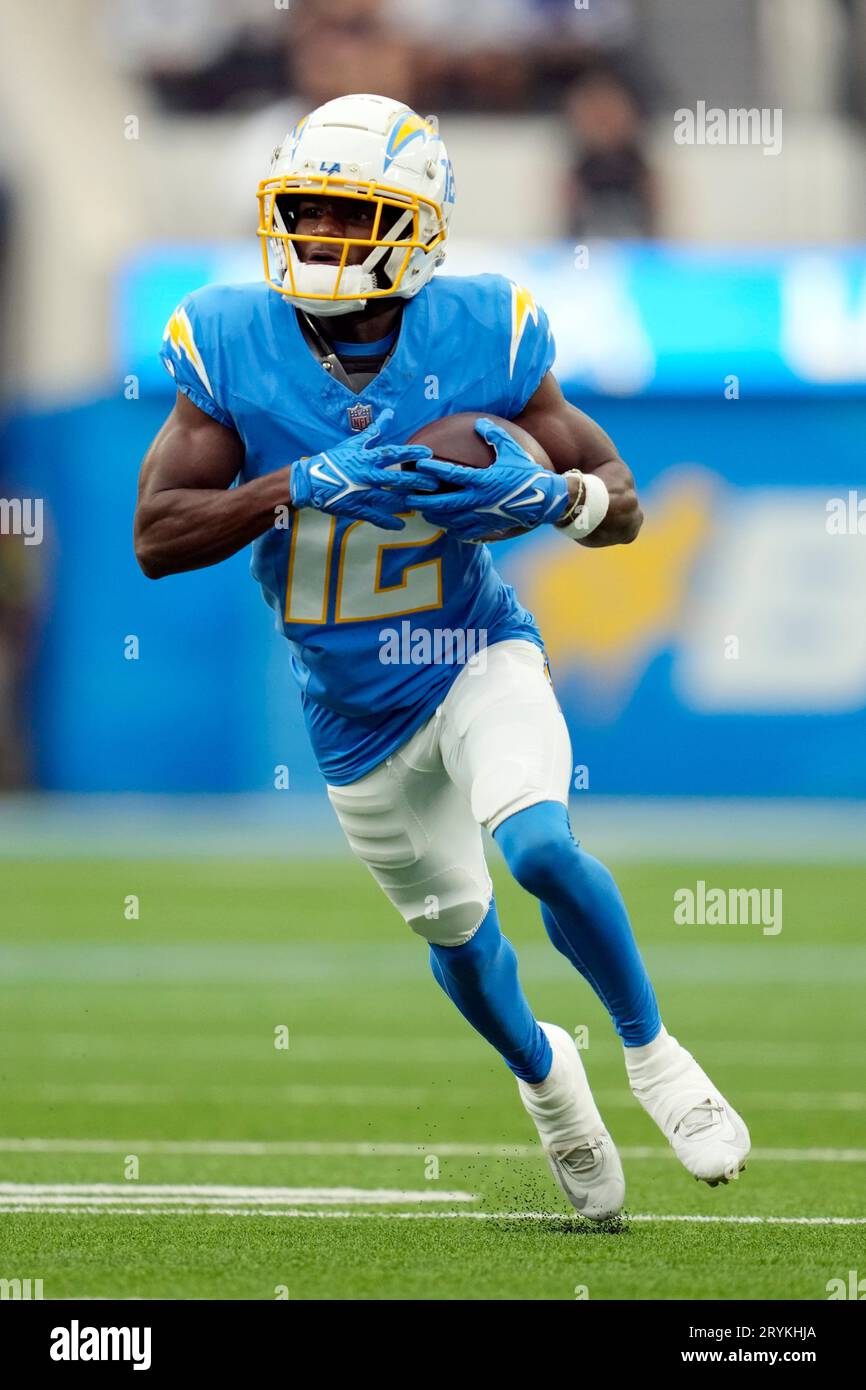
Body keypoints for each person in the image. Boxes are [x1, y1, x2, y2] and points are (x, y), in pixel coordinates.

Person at [134, 93, 749, 1220]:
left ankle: (655, 1055)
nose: (312, 239)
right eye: (301, 213)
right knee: (464, 949)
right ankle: (550, 1085)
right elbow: (156, 536)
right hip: (349, 714)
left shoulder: (483, 332)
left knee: (541, 848)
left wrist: (550, 496)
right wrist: (292, 486)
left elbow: (619, 503)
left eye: (342, 215)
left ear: (411, 227)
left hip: (473, 654)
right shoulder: (231, 338)